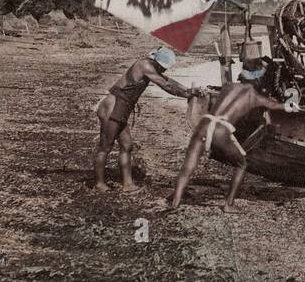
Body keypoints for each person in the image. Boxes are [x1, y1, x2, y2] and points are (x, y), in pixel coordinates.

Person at [166, 57, 288, 211]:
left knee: (188, 166)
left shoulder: (228, 86)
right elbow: (276, 106)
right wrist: (292, 105)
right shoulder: (253, 96)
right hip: (221, 129)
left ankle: (175, 202)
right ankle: (229, 204)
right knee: (241, 164)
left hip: (204, 123)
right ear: (258, 78)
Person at [94, 47, 200, 191]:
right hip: (112, 107)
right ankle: (99, 183)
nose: (164, 71)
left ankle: (127, 184)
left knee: (127, 146)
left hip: (121, 107)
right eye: (163, 68)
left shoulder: (151, 67)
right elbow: (165, 85)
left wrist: (188, 90)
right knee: (105, 147)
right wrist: (186, 94)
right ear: (157, 62)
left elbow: (168, 81)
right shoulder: (144, 65)